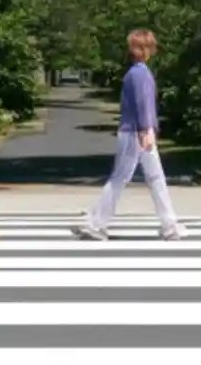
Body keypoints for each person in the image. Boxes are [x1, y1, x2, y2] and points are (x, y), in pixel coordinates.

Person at [72, 29, 184, 241]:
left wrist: (148, 128)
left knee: (155, 177)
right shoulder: (140, 73)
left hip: (137, 131)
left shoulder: (136, 72)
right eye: (149, 46)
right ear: (144, 49)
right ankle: (95, 223)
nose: (151, 50)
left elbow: (144, 105)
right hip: (135, 132)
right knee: (122, 178)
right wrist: (146, 129)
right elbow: (143, 104)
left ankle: (169, 224)